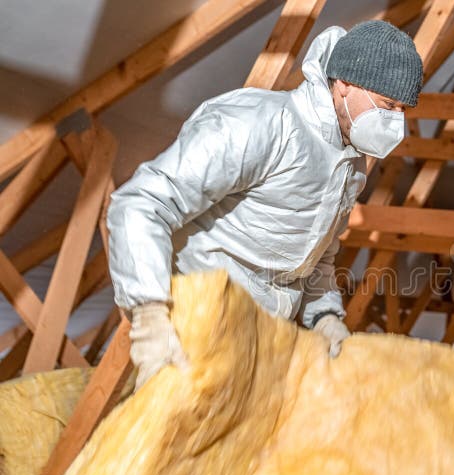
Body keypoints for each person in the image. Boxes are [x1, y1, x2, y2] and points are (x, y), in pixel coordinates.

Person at [106, 21, 423, 390]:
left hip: (258, 343)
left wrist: (324, 318)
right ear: (345, 83)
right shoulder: (259, 124)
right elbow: (141, 204)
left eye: (402, 110)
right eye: (387, 105)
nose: (394, 121)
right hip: (190, 332)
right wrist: (149, 318)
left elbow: (316, 257)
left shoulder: (351, 167)